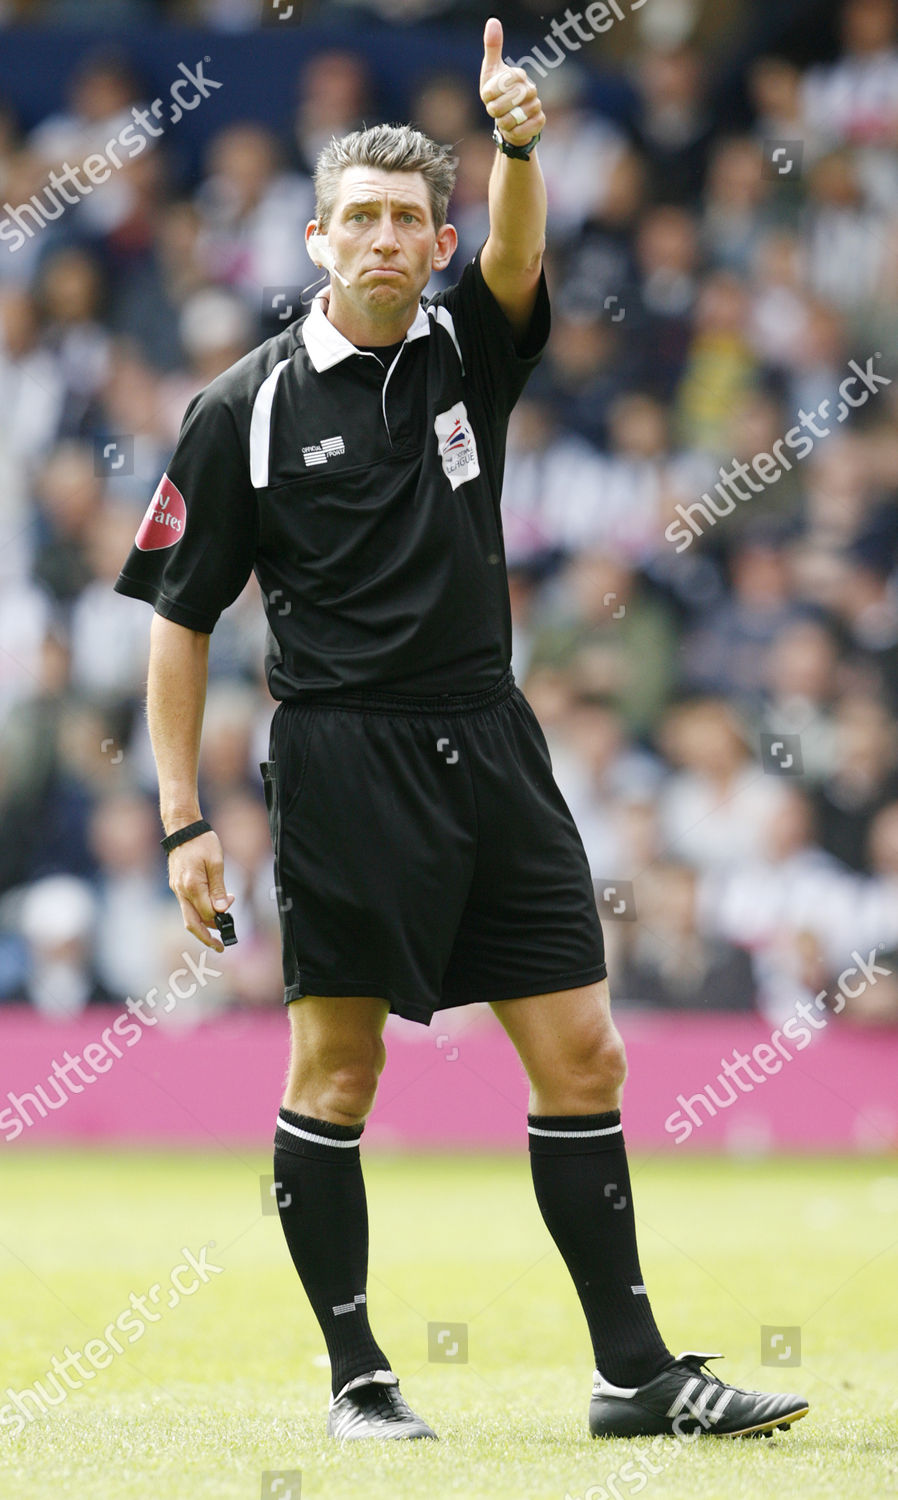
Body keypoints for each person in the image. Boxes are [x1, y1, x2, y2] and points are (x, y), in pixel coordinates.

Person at [114, 19, 809, 1445]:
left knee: (585, 1059)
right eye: (356, 219)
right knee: (339, 1073)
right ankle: (359, 1382)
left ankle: (634, 1375)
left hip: (490, 743)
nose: (381, 241)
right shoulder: (237, 411)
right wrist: (184, 818)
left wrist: (516, 146)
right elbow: (177, 624)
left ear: (438, 243)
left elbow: (519, 258)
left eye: (405, 223)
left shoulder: (466, 350)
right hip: (339, 757)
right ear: (315, 238)